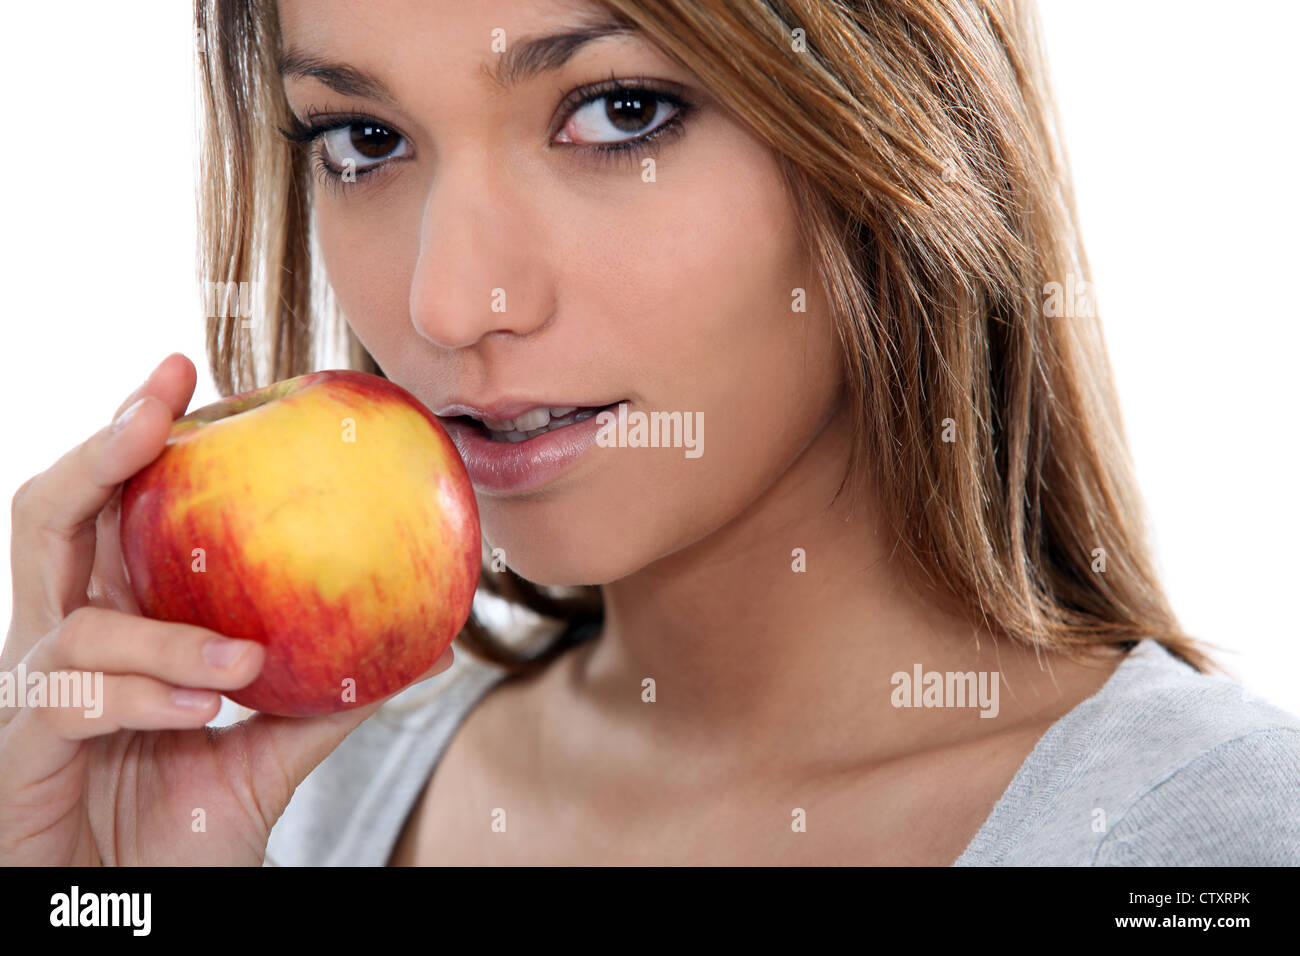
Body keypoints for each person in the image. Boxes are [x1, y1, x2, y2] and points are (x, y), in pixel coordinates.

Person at [2, 0, 1297, 866]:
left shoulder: (1207, 843)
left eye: (619, 113)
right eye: (365, 137)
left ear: (885, 127)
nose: (449, 304)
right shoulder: (299, 806)